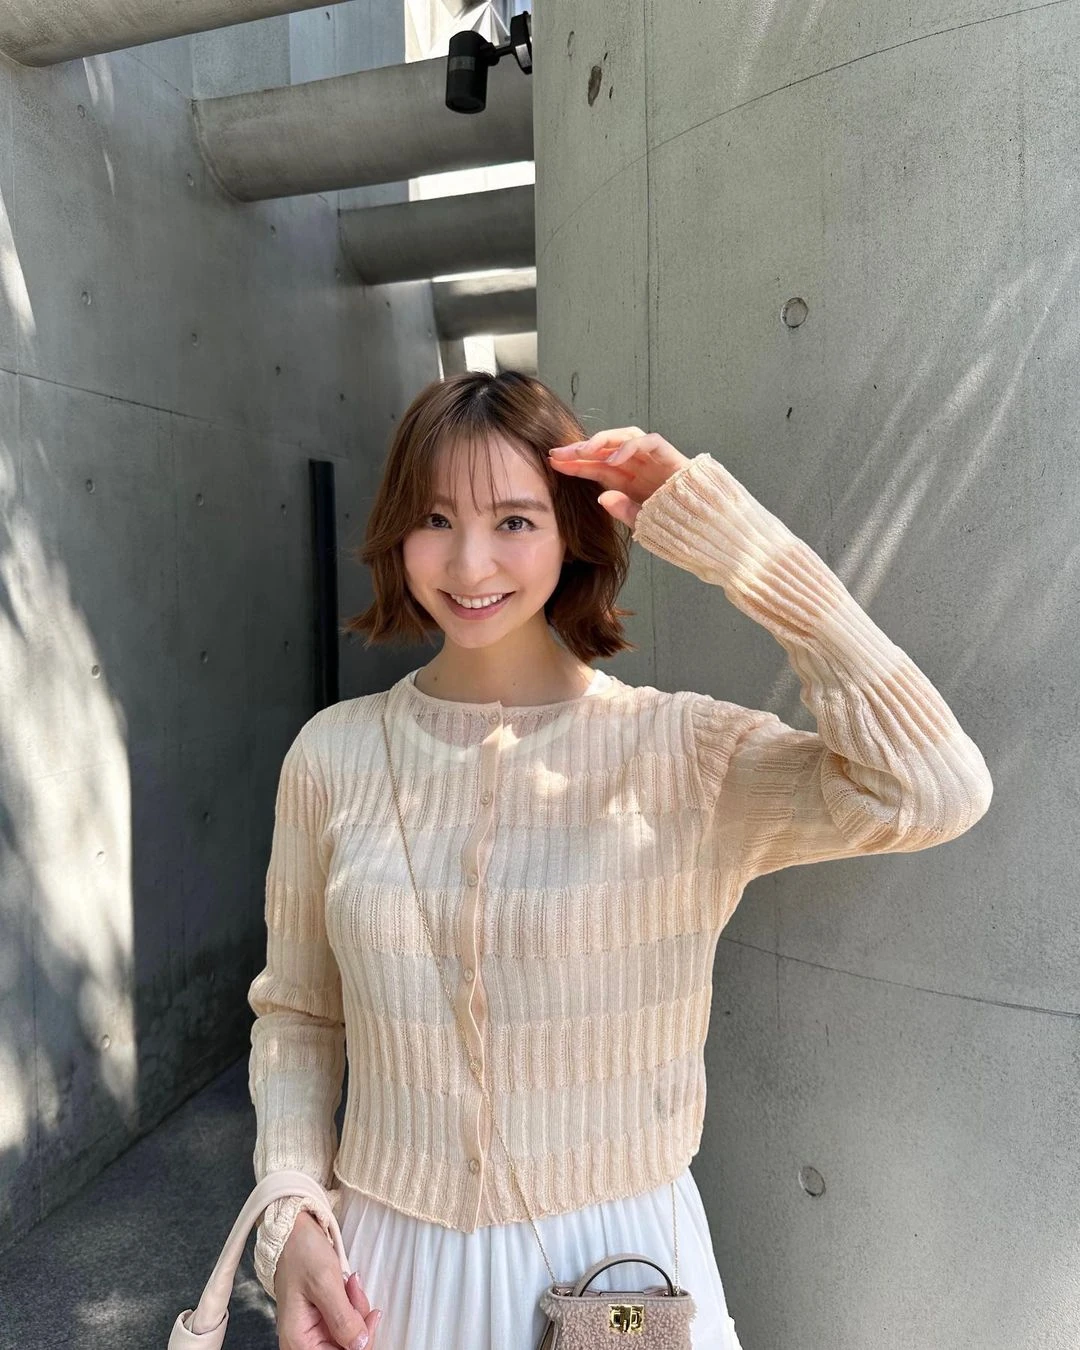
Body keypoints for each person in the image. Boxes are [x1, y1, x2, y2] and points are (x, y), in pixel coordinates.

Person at [246, 371, 993, 1350]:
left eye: (515, 521)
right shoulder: (331, 756)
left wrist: (733, 541)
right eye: (435, 518)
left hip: (625, 1280)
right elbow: (300, 1016)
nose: (469, 561)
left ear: (572, 531)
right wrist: (291, 1208)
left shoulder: (685, 755)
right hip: (388, 1276)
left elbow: (934, 788)